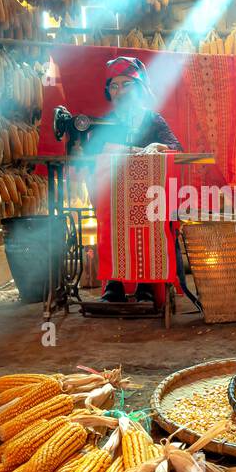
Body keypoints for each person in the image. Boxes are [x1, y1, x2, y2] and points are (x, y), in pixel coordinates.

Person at [89, 57, 180, 303]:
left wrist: (158, 145)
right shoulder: (105, 124)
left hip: (146, 195)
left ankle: (146, 285)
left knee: (149, 223)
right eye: (114, 86)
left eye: (126, 84)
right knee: (110, 223)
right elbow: (92, 156)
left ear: (138, 88)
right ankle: (114, 284)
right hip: (114, 195)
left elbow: (176, 146)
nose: (119, 91)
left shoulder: (153, 120)